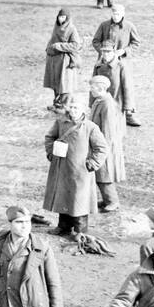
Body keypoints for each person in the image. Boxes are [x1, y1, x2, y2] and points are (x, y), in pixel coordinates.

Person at [42, 93, 108, 236]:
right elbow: (49, 137)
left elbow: (102, 148)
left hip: (80, 172)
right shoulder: (60, 123)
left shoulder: (90, 127)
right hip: (62, 169)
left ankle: (80, 231)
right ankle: (63, 227)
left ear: (83, 109)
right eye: (71, 107)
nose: (73, 110)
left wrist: (92, 163)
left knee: (80, 202)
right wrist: (50, 153)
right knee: (63, 197)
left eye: (76, 107)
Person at [91, 1, 142, 126]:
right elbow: (96, 41)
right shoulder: (104, 25)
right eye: (113, 13)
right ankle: (100, 111)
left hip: (122, 61)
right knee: (103, 84)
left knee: (125, 86)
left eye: (118, 14)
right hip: (105, 61)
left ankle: (128, 113)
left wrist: (123, 51)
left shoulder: (129, 26)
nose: (115, 16)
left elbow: (136, 43)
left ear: (123, 14)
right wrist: (104, 52)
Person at [87, 75, 126, 212]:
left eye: (92, 88)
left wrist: (101, 147)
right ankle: (106, 199)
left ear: (101, 88)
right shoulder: (100, 100)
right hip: (99, 144)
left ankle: (112, 201)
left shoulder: (106, 104)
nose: (90, 90)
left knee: (105, 175)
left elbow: (108, 130)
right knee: (100, 175)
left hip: (104, 146)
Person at [44, 9, 82, 108]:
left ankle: (65, 105)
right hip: (54, 60)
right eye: (60, 17)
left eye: (63, 17)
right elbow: (52, 39)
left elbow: (76, 45)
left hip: (65, 61)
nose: (61, 19)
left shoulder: (72, 29)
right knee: (55, 82)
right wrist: (49, 48)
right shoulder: (56, 27)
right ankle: (57, 103)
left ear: (67, 18)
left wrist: (59, 46)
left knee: (65, 84)